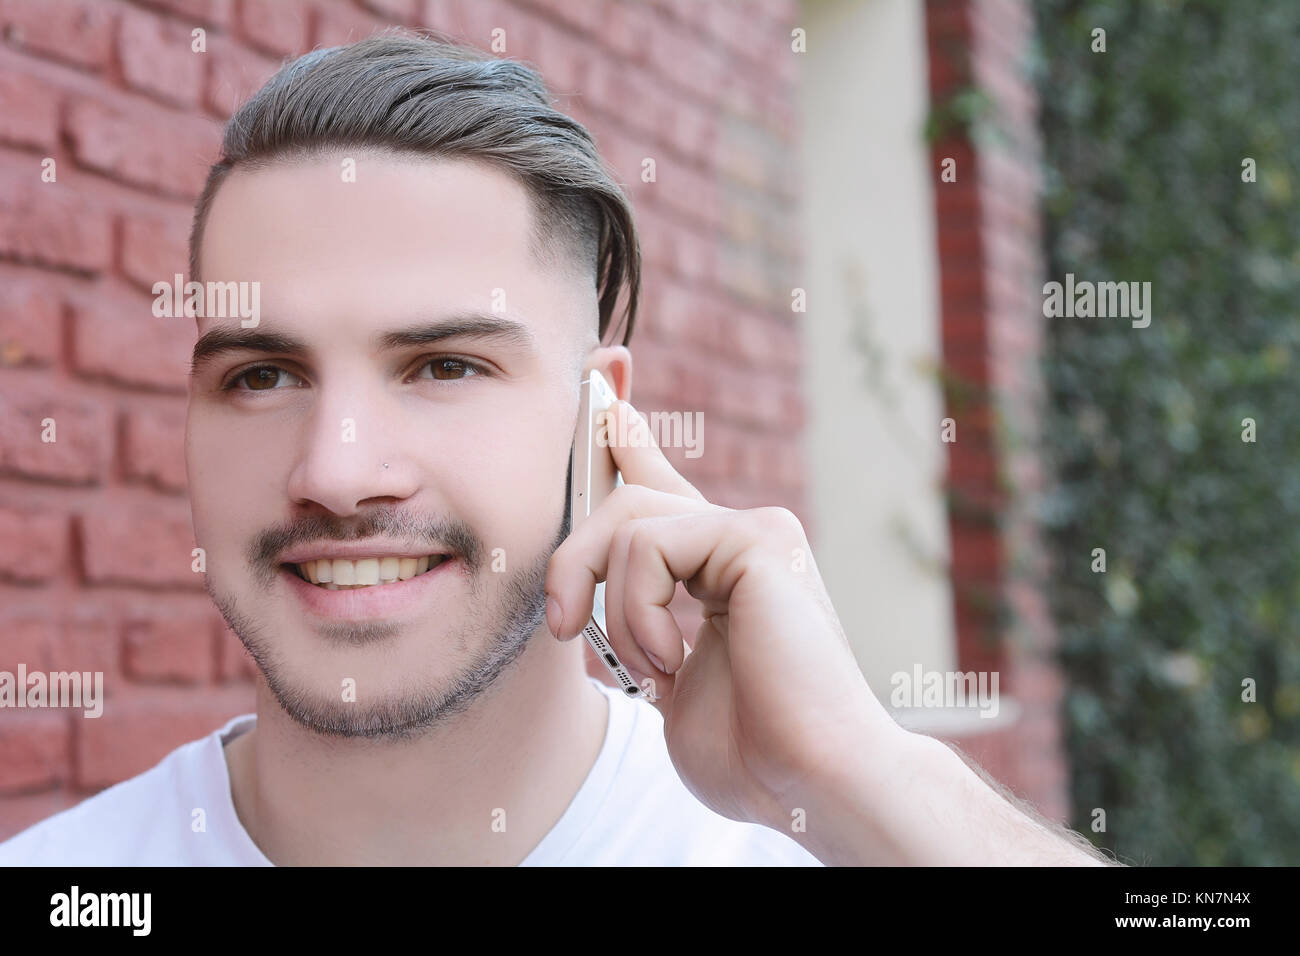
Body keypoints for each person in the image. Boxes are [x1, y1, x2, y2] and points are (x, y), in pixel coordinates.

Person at [0, 30, 1114, 867]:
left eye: (443, 365)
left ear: (601, 422)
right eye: (262, 375)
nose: (335, 471)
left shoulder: (821, 839)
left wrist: (858, 773)